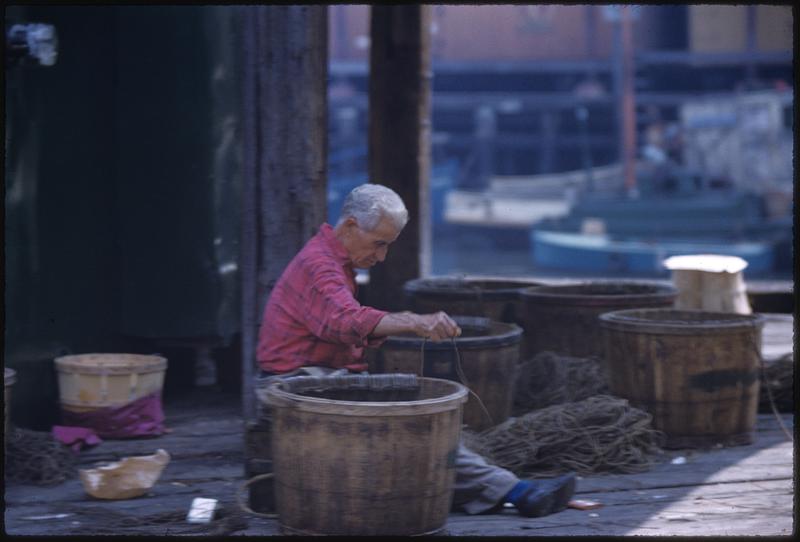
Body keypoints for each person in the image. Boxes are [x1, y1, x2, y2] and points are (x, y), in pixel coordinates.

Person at [256, 183, 576, 517]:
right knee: (413, 425)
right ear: (350, 226)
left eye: (387, 246)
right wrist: (414, 322)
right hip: (293, 384)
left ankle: (509, 489)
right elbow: (345, 322)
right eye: (379, 244)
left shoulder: (331, 261)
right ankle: (517, 491)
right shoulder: (319, 265)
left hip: (319, 379)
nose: (381, 257)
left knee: (416, 417)